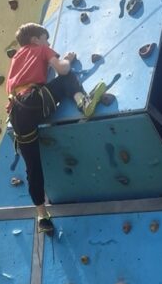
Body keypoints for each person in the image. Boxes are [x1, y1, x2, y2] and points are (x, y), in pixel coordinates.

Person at [6, 22, 106, 235]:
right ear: (36, 39)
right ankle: (83, 102)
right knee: (66, 77)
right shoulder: (41, 49)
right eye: (46, 38)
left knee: (33, 167)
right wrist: (67, 59)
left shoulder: (16, 59)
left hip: (16, 114)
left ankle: (42, 216)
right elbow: (61, 69)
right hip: (34, 102)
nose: (49, 42)